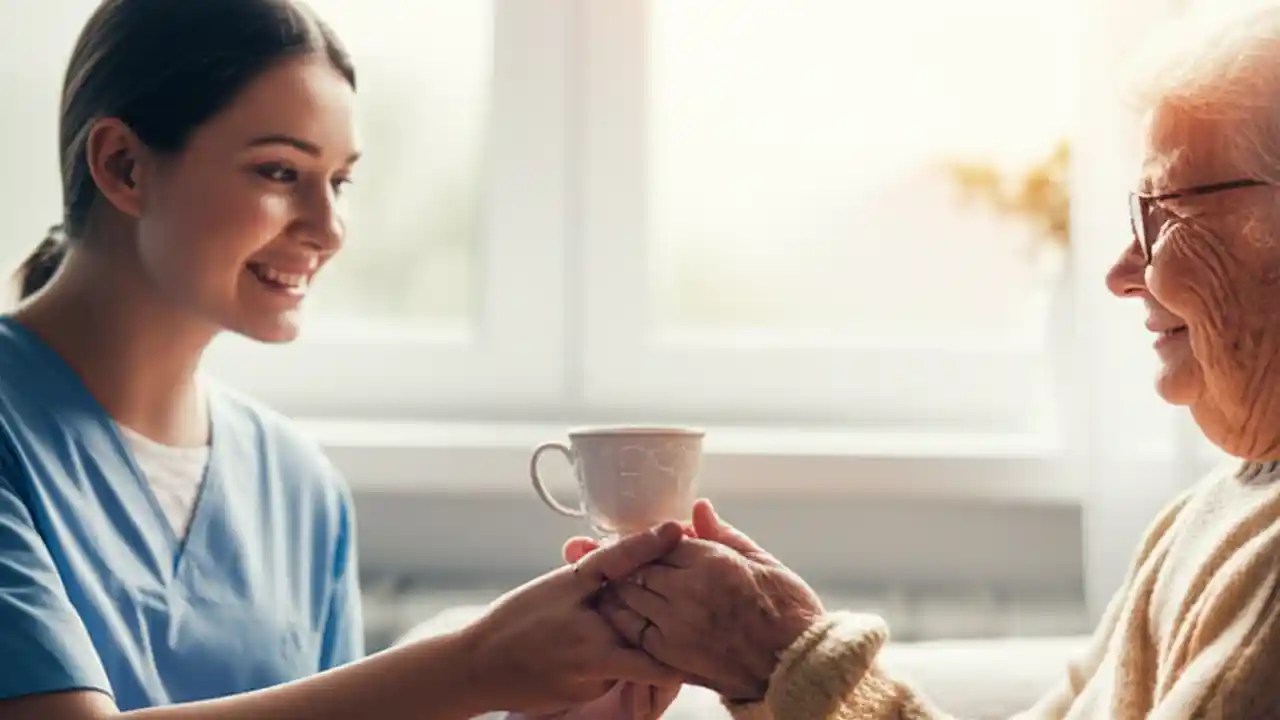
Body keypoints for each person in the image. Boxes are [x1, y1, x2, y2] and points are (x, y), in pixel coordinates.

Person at [592, 5, 1280, 719]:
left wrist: (784, 659)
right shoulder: (1207, 513)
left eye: (1164, 210)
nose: (1121, 270)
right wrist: (781, 660)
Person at [0, 1, 682, 718]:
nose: (328, 229)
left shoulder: (298, 488)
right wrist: (474, 666)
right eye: (279, 171)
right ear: (124, 166)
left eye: (340, 182)